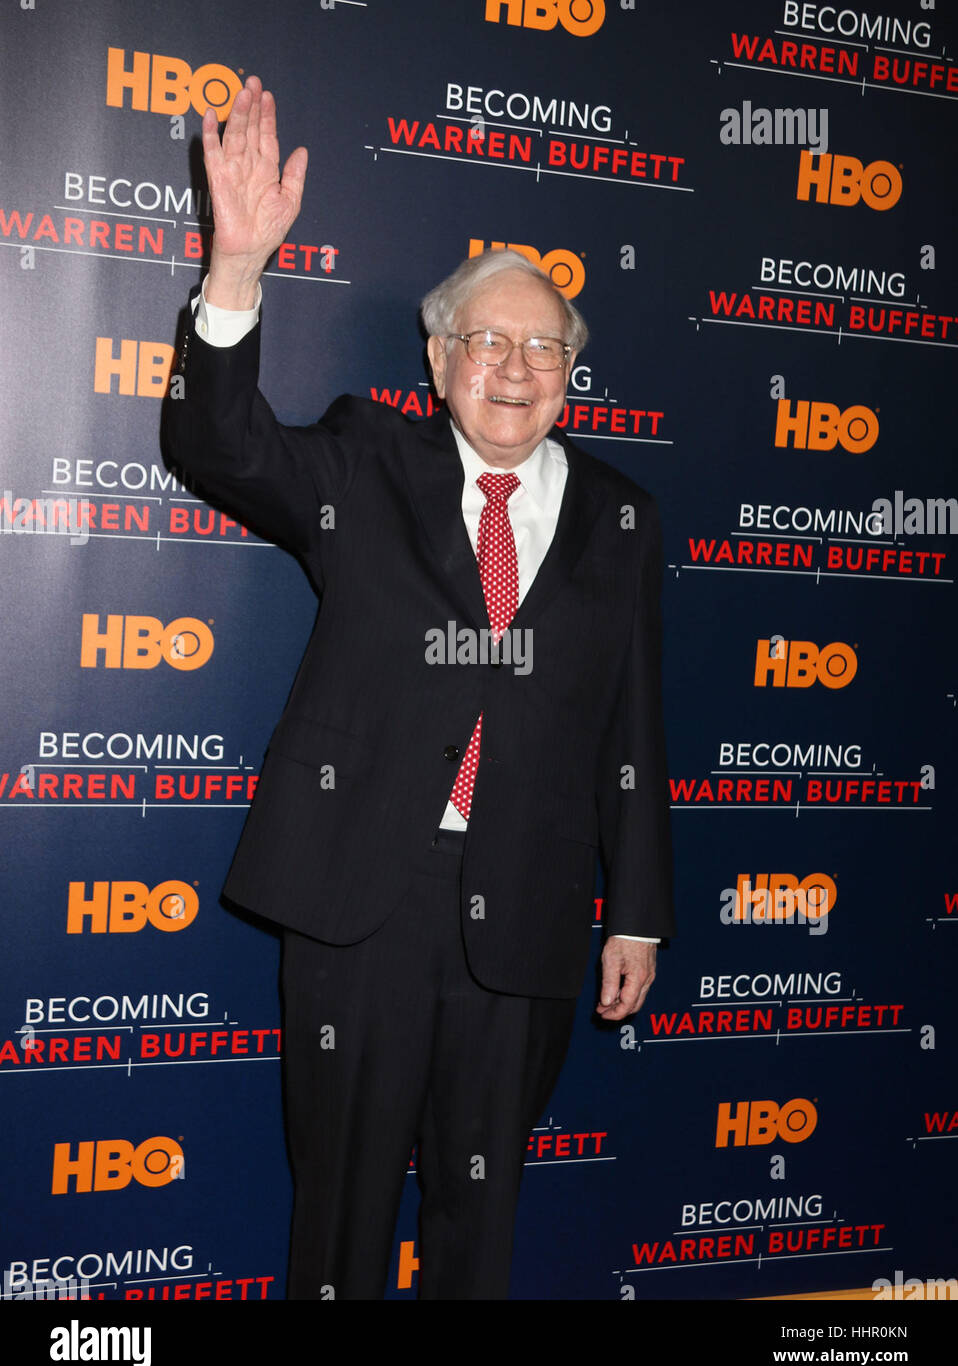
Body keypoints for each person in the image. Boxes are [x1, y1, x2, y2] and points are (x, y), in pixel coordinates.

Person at [164, 76, 674, 1300]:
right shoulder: (366, 460)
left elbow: (634, 724)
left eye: (544, 347)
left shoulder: (622, 516)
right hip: (362, 898)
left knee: (478, 1210)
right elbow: (217, 444)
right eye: (488, 342)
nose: (516, 367)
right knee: (340, 1204)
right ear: (439, 359)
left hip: (529, 911)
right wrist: (236, 267)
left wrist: (638, 911)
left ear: (572, 372)